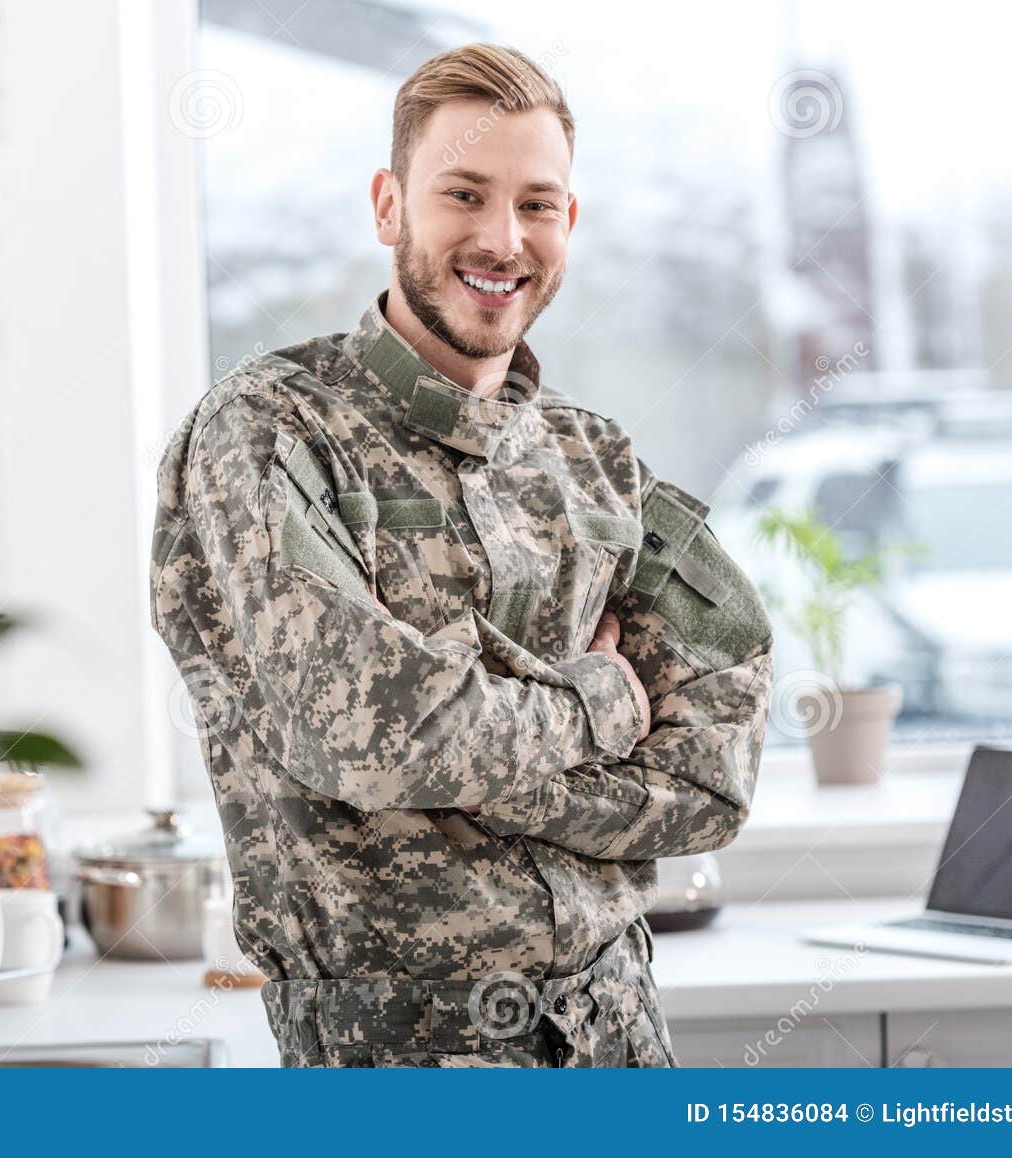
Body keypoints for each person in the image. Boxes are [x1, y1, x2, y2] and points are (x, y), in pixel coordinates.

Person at [149, 42, 773, 1067]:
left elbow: (712, 778)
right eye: (463, 194)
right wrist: (600, 706)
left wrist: (470, 768)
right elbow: (369, 739)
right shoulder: (269, 433)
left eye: (535, 203)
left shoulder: (598, 459)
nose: (500, 237)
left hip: (620, 1039)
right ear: (389, 205)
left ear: (566, 223)